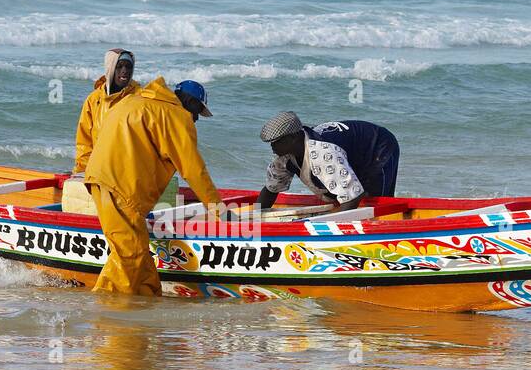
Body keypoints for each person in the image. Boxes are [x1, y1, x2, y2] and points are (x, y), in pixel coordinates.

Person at [84, 78, 225, 296]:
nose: (196, 118)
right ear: (187, 101)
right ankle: (105, 311)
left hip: (99, 179)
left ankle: (148, 306)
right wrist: (219, 210)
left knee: (141, 258)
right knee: (130, 256)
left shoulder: (137, 100)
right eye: (197, 110)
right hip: (122, 188)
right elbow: (194, 170)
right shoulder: (176, 116)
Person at [255, 113, 399, 213]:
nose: (272, 146)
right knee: (341, 192)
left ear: (293, 138)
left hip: (378, 145)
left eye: (277, 142)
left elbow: (352, 197)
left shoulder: (322, 153)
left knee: (374, 200)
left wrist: (330, 230)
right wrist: (252, 220)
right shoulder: (284, 157)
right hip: (350, 151)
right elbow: (270, 190)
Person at [74, 48, 139, 174]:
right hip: (99, 172)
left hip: (129, 174)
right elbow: (84, 143)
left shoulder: (139, 98)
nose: (124, 71)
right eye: (119, 66)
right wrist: (82, 172)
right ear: (110, 68)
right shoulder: (94, 100)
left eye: (128, 66)